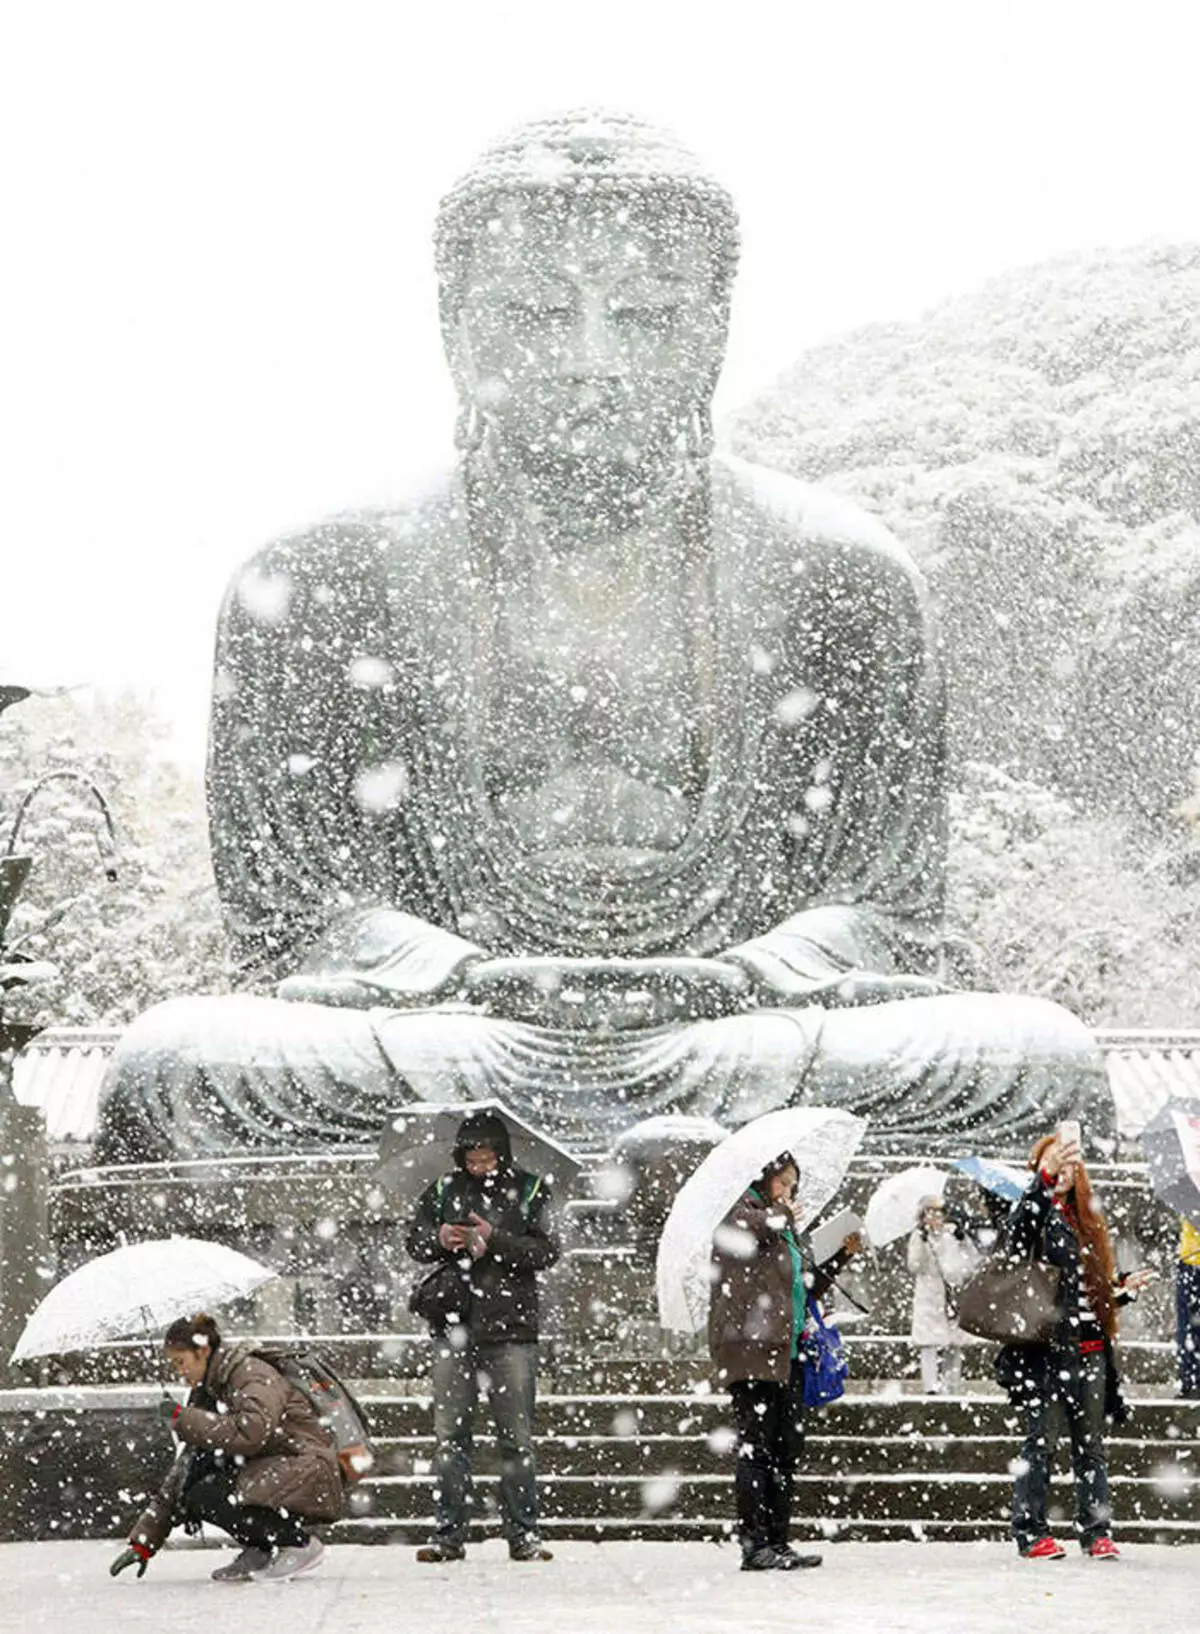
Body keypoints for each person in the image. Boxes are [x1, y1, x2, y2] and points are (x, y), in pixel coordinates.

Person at [95, 109, 1112, 1169]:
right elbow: (292, 920)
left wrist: (746, 976)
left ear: (713, 327)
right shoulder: (315, 577)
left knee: (1039, 1060)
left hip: (741, 1034)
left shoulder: (841, 573)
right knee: (178, 1066)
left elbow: (890, 915)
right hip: (451, 1033)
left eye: (644, 314)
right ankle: (626, 1138)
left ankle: (568, 1133)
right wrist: (462, 975)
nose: (590, 361)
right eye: (535, 310)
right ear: (458, 326)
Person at [404, 1109, 559, 1563]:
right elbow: (413, 1242)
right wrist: (440, 1237)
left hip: (511, 1330)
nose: (478, 1163)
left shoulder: (530, 1189)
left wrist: (497, 1241)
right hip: (454, 1325)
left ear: (501, 1152)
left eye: (486, 1155)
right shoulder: (442, 1190)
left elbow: (547, 1251)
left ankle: (524, 1533)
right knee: (450, 1437)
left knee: (516, 1439)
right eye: (471, 1156)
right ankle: (448, 1535)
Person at [995, 1130, 1155, 1561]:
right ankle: (1030, 1531)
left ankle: (1096, 1530)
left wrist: (1121, 1289)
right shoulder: (1032, 1213)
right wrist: (1042, 1185)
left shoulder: (1085, 1221)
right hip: (1047, 1353)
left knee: (1092, 1448)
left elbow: (1086, 1295)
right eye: (1053, 1162)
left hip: (1090, 1352)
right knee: (1040, 1444)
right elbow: (1017, 1242)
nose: (1063, 1170)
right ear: (1039, 1169)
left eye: (1069, 1163)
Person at [708, 1150, 860, 1572]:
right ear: (764, 1178)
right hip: (751, 1349)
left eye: (793, 1185)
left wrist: (839, 1256)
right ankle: (754, 1543)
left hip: (788, 1350)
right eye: (784, 1182)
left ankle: (778, 1539)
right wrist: (780, 1214)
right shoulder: (738, 1212)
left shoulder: (781, 1225)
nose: (789, 1192)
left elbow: (804, 1288)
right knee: (757, 1447)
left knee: (786, 1448)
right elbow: (752, 1234)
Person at [109, 1313, 342, 1583]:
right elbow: (185, 1469)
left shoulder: (250, 1373)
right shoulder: (211, 1390)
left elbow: (251, 1432)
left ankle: (299, 1545)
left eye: (181, 1361)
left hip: (305, 1466)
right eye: (174, 1365)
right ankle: (259, 1548)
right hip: (274, 1468)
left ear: (204, 1351)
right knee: (196, 1486)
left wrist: (183, 1418)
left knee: (209, 1493)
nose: (179, 1372)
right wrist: (143, 1543)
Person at [906, 1196, 980, 1394]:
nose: (935, 1217)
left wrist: (963, 1240)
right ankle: (930, 1386)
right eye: (930, 1212)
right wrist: (922, 1243)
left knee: (954, 1343)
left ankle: (951, 1385)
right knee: (928, 1343)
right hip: (929, 1295)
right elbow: (914, 1265)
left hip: (952, 1294)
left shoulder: (952, 1235)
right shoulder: (918, 1236)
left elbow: (971, 1262)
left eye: (938, 1212)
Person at [1176, 1215, 1200, 1397]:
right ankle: (1191, 1379)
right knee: (1188, 1326)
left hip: (1191, 1262)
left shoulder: (1190, 1191)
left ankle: (1191, 1379)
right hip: (1191, 1261)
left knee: (1188, 1326)